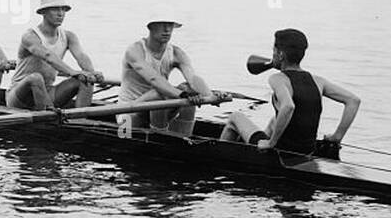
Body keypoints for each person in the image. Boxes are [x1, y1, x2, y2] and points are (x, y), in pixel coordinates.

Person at [220, 28, 361, 154]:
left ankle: (221, 159)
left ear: (280, 55)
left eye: (273, 51)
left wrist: (271, 143)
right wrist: (336, 137)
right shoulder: (318, 81)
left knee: (235, 117)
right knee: (274, 120)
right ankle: (257, 147)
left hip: (281, 151)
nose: (272, 55)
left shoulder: (278, 79)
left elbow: (288, 106)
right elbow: (353, 101)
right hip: (307, 149)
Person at [118, 18, 230, 136]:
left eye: (170, 25)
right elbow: (154, 79)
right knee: (159, 94)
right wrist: (183, 95)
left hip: (157, 110)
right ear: (150, 27)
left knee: (188, 88)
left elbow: (193, 79)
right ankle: (161, 140)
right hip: (128, 114)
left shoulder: (176, 53)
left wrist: (210, 95)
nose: (167, 30)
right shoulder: (135, 51)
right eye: (162, 25)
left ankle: (184, 138)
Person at [5, 0, 106, 110]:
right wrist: (71, 72)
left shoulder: (69, 36)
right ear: (43, 12)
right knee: (36, 78)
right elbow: (48, 56)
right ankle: (46, 118)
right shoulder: (30, 36)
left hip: (47, 92)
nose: (61, 14)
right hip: (18, 97)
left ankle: (79, 119)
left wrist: (92, 73)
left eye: (63, 9)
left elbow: (81, 56)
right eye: (55, 9)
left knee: (87, 80)